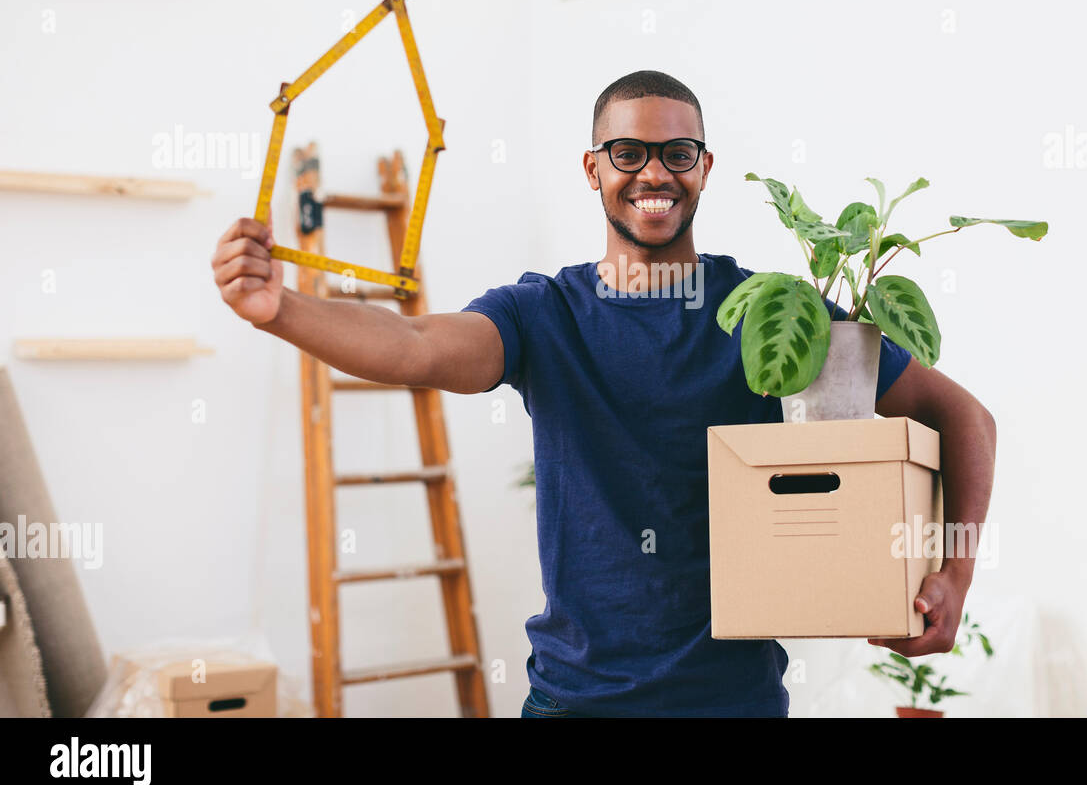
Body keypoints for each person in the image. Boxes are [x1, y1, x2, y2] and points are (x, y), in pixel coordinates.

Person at [211, 70, 996, 718]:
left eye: (677, 152)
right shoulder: (543, 313)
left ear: (705, 168)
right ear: (594, 170)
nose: (653, 172)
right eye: (628, 151)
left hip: (733, 703)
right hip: (574, 700)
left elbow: (964, 416)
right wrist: (281, 310)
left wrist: (952, 577)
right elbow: (415, 347)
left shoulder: (771, 314)